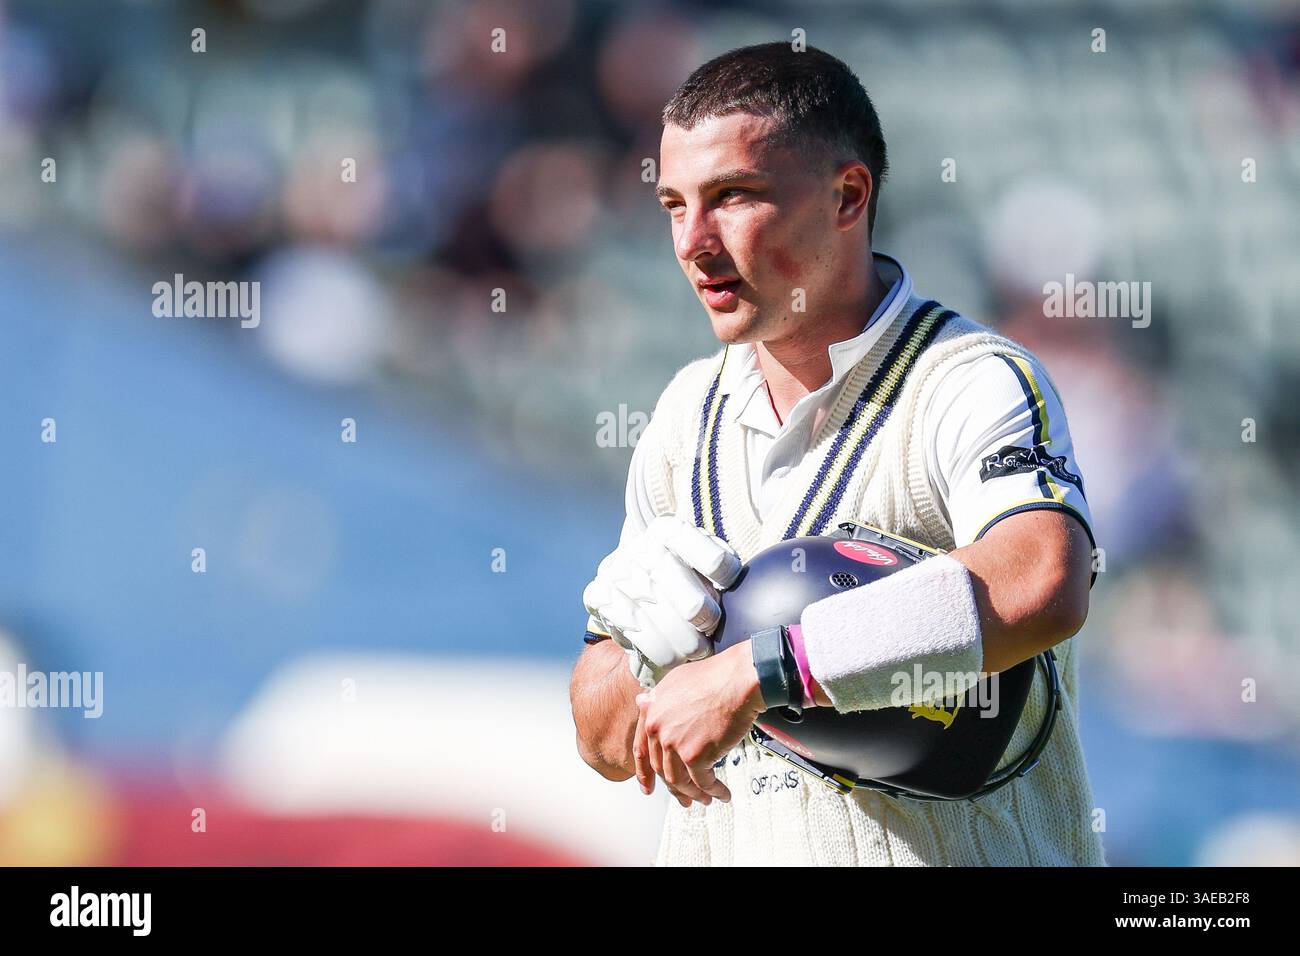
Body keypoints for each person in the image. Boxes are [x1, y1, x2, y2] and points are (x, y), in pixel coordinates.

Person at [569, 42, 1106, 866]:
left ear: (848, 195)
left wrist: (761, 668)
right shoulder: (682, 417)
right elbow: (602, 740)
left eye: (733, 197)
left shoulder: (967, 382)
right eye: (674, 205)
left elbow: (1040, 581)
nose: (693, 240)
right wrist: (640, 658)